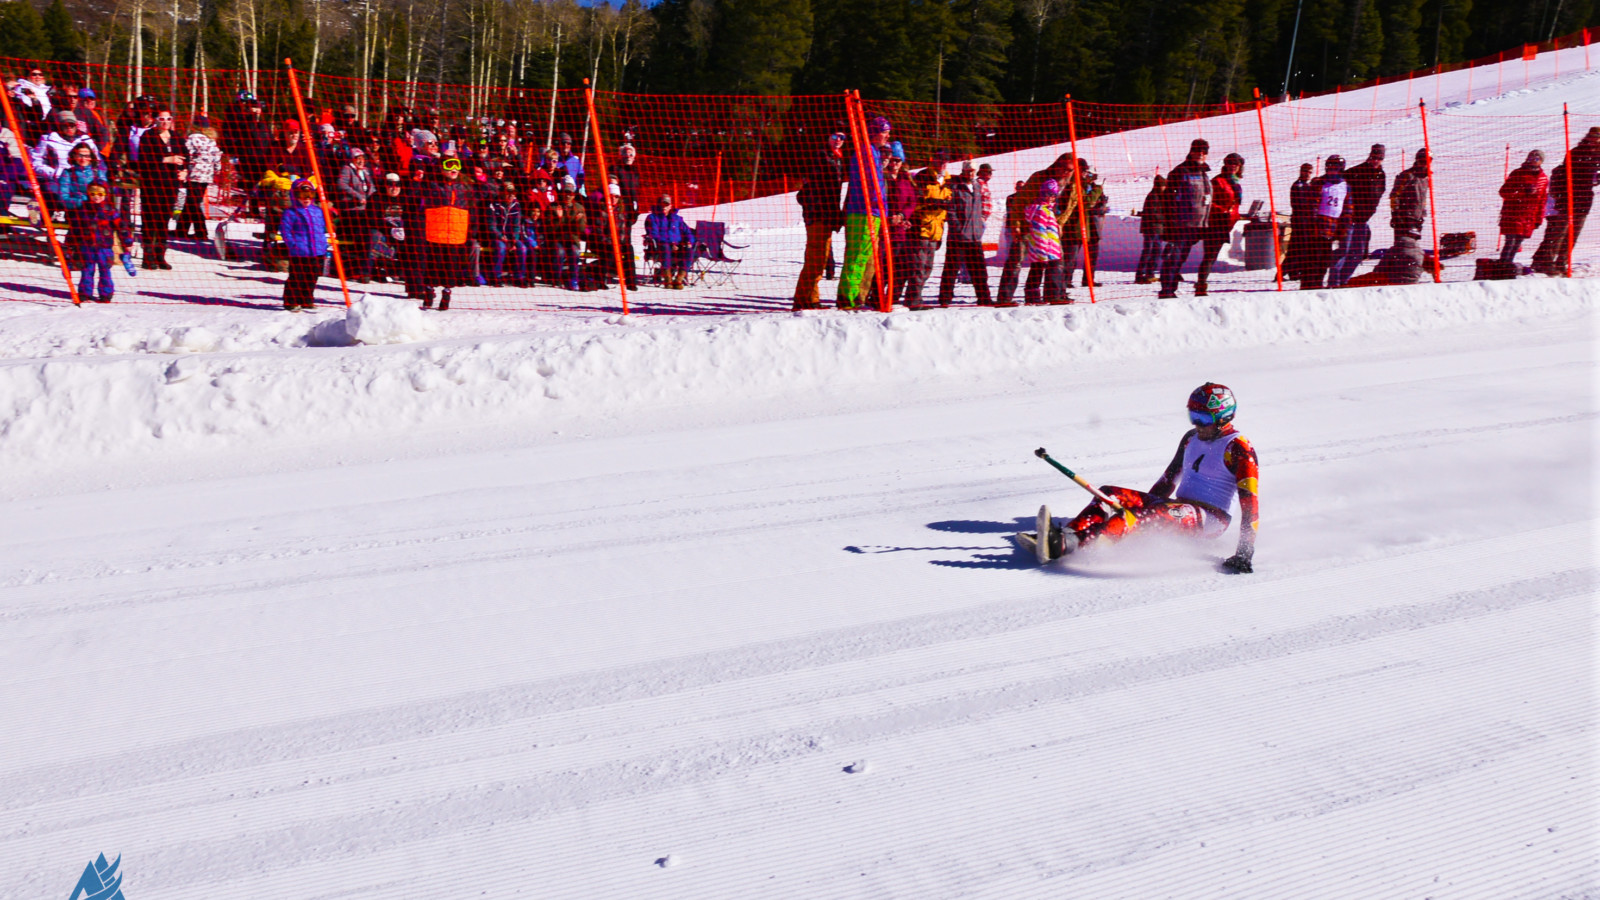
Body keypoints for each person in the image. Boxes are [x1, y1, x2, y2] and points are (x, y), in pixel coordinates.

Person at [1033, 383, 1258, 575]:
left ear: (1223, 418)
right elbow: (1168, 480)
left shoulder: (1239, 448)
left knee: (1135, 517)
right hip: (1181, 506)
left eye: (1203, 418)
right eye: (1193, 416)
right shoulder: (1191, 438)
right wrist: (1148, 504)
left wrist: (1244, 553)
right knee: (1108, 493)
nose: (1196, 425)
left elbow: (1250, 503)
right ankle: (1068, 535)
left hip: (1210, 518)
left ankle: (1072, 546)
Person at [837, 115, 892, 311]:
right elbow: (871, 182)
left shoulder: (873, 152)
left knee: (864, 255)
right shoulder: (867, 153)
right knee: (858, 254)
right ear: (876, 133)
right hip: (864, 210)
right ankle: (847, 296)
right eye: (885, 132)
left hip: (871, 210)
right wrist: (880, 204)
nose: (887, 136)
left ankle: (853, 295)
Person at [1531, 127, 1600, 276]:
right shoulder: (1576, 153)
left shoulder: (1598, 156)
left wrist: (1596, 178)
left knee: (1572, 235)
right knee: (1559, 232)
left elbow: (1594, 179)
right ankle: (1546, 262)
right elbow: (1568, 174)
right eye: (1594, 136)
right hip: (1568, 196)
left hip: (1584, 199)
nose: (1596, 140)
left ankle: (1562, 262)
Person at [793, 130, 846, 310]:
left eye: (842, 137)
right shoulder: (822, 157)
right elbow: (817, 188)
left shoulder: (837, 158)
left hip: (825, 214)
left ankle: (808, 297)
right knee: (816, 257)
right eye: (835, 136)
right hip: (818, 214)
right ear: (827, 137)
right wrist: (821, 211)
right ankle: (805, 299)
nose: (838, 140)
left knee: (820, 257)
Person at [417, 155, 476, 309]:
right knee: (433, 265)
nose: (453, 169)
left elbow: (473, 207)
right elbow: (420, 194)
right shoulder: (434, 185)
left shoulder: (465, 187)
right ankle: (429, 291)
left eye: (456, 165)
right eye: (449, 165)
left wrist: (472, 230)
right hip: (436, 233)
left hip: (456, 233)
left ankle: (446, 293)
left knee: (450, 267)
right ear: (442, 169)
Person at [1158, 139, 1213, 299]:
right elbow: (1169, 200)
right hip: (1180, 225)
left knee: (1181, 259)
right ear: (1191, 151)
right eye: (1197, 150)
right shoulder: (1180, 172)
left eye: (1204, 151)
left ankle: (1170, 288)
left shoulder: (1203, 173)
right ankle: (1167, 290)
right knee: (1174, 258)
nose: (1200, 154)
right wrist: (1171, 225)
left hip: (1197, 225)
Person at [1328, 144, 1387, 287]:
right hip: (1349, 219)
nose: (1376, 160)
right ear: (1369, 156)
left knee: (1358, 254)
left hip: (1362, 220)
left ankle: (1343, 281)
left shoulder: (1381, 175)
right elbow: (1339, 184)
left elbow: (1380, 192)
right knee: (1344, 251)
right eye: (1374, 157)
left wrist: (1371, 209)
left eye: (1379, 158)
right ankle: (1334, 282)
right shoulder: (1357, 171)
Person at [136, 110, 187, 270]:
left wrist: (185, 171)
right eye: (162, 119)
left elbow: (186, 157)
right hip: (152, 184)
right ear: (156, 120)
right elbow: (144, 159)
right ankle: (148, 256)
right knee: (150, 219)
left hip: (170, 184)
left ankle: (160, 255)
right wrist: (166, 159)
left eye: (168, 118)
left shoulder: (176, 137)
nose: (165, 122)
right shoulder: (148, 136)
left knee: (164, 220)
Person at [66, 179, 131, 303]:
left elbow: (121, 227)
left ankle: (106, 293)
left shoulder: (110, 211)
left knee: (105, 270)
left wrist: (127, 241)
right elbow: (75, 227)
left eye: (100, 194)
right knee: (87, 270)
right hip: (87, 246)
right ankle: (85, 293)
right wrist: (70, 243)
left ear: (105, 194)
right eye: (93, 194)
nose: (96, 197)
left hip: (104, 247)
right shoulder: (83, 210)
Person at [938, 160, 991, 306]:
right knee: (951, 269)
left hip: (974, 236)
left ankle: (984, 298)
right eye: (968, 171)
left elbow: (981, 207)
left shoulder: (977, 186)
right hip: (958, 237)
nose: (970, 173)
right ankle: (945, 299)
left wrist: (979, 225)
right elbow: (950, 210)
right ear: (963, 171)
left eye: (973, 171)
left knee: (979, 269)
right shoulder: (955, 187)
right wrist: (958, 228)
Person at [1189, 153, 1243, 297]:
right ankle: (1201, 286)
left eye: (1236, 164)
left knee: (1212, 257)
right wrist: (1222, 210)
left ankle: (1200, 283)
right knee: (1209, 256)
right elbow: (1207, 201)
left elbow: (1235, 203)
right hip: (1215, 223)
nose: (1233, 166)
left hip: (1226, 224)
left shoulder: (1235, 182)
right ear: (1225, 165)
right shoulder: (1218, 181)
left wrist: (1235, 216)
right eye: (1230, 163)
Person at [1374, 149, 1430, 285]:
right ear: (1417, 160)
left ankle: (1408, 273)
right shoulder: (1407, 175)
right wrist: (1396, 214)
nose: (1424, 164)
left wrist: (1422, 214)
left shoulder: (1426, 178)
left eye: (1427, 161)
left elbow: (1422, 198)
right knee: (1402, 247)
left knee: (1413, 247)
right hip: (1404, 217)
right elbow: (1395, 195)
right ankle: (1396, 274)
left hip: (1416, 218)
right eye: (1422, 160)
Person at [901, 163, 951, 309]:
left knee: (927, 267)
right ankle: (913, 299)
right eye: (940, 160)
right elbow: (913, 201)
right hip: (920, 229)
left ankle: (915, 297)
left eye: (945, 160)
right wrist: (930, 203)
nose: (942, 163)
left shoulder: (947, 181)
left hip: (935, 231)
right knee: (918, 266)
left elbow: (947, 207)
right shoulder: (923, 176)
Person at [1298, 156, 1348, 289]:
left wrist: (1343, 229)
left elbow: (1347, 210)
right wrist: (1313, 222)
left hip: (1332, 228)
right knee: (1313, 258)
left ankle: (1318, 284)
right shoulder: (1320, 183)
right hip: (1317, 227)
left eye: (1335, 168)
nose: (1331, 171)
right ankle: (1308, 285)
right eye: (1329, 168)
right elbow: (1312, 205)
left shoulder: (1344, 186)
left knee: (1324, 260)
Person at [279, 179, 328, 310]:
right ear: (295, 196)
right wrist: (293, 245)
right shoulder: (290, 213)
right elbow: (285, 231)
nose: (306, 198)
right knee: (297, 277)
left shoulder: (317, 211)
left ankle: (307, 299)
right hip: (299, 251)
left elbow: (322, 228)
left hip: (317, 251)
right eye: (302, 195)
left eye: (309, 195)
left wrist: (323, 243)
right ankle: (291, 301)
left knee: (312, 276)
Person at [1059, 160, 1108, 289]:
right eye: (1087, 173)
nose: (1089, 177)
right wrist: (1095, 194)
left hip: (1092, 225)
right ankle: (1065, 281)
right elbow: (1086, 203)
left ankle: (1088, 279)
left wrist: (1101, 204)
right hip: (1076, 225)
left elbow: (1099, 204)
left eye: (1091, 175)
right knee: (1071, 255)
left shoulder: (1093, 187)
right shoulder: (1076, 186)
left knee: (1091, 255)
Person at [30, 112, 99, 202]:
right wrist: (53, 172)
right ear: (59, 126)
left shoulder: (86, 140)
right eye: (66, 125)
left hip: (83, 181)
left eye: (72, 125)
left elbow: (98, 162)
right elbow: (35, 163)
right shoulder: (48, 140)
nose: (69, 128)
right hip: (56, 181)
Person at [1496, 150, 1549, 265]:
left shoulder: (1543, 178)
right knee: (1510, 241)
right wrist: (1522, 192)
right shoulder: (1518, 173)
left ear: (1541, 161)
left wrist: (1539, 218)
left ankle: (1507, 265)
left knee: (1517, 242)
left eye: (1536, 159)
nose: (1533, 160)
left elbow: (1542, 200)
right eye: (1531, 158)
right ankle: (1502, 266)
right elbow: (1504, 192)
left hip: (1529, 216)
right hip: (1513, 213)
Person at [1022, 179, 1068, 305]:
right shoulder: (1041, 210)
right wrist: (1043, 248)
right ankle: (1034, 296)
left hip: (1049, 247)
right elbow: (1040, 230)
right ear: (1042, 194)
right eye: (1048, 194)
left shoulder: (1047, 209)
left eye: (1054, 195)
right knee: (1038, 270)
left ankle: (1046, 295)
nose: (1051, 197)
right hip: (1044, 248)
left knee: (1039, 270)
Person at [178, 115, 222, 240]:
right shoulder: (211, 141)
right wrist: (217, 170)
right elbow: (217, 158)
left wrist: (182, 167)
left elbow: (186, 153)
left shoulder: (193, 138)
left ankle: (201, 231)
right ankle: (181, 230)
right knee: (191, 202)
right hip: (207, 176)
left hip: (195, 174)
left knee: (193, 203)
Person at [335, 147, 376, 280]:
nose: (360, 161)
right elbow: (341, 184)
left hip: (364, 211)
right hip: (351, 212)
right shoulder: (347, 169)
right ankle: (361, 270)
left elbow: (372, 188)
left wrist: (372, 199)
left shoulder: (365, 172)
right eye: (357, 158)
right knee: (365, 231)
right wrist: (358, 197)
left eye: (362, 158)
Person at [546, 178, 587, 291]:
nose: (568, 196)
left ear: (574, 195)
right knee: (560, 252)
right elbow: (549, 229)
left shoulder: (579, 208)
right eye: (566, 193)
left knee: (575, 252)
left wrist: (578, 221)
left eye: (570, 194)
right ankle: (556, 278)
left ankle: (573, 279)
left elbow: (581, 230)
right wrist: (558, 219)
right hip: (556, 239)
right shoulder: (553, 207)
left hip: (572, 239)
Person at [994, 179, 1029, 307]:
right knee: (1013, 256)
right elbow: (1013, 210)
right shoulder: (1011, 198)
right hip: (1012, 228)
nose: (1020, 189)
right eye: (1019, 187)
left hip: (1023, 230)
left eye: (1022, 187)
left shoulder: (1026, 198)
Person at [645, 193, 690, 289]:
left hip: (677, 247)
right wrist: (671, 243)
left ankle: (679, 279)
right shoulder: (652, 218)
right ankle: (667, 280)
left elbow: (687, 232)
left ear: (670, 206)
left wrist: (689, 241)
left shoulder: (677, 219)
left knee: (689, 250)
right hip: (659, 248)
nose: (664, 207)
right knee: (665, 248)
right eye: (662, 204)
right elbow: (654, 235)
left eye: (666, 205)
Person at [485, 179, 525, 287]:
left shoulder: (516, 205)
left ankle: (519, 277)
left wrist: (514, 240)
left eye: (513, 193)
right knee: (501, 247)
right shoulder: (493, 205)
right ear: (502, 193)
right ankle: (495, 277)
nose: (511, 195)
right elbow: (491, 226)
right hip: (495, 238)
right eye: (509, 193)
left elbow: (517, 226)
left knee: (522, 248)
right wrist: (500, 236)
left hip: (510, 238)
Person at [614, 143, 642, 290]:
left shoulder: (635, 172)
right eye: (625, 154)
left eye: (630, 154)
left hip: (629, 213)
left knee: (626, 244)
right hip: (618, 211)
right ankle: (626, 276)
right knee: (620, 244)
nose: (628, 157)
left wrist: (635, 209)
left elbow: (635, 193)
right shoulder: (615, 169)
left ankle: (630, 279)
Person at [1134, 174, 1166, 284]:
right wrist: (1165, 218)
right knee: (1148, 251)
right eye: (1163, 186)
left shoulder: (1160, 196)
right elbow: (1152, 214)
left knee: (1157, 251)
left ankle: (1150, 273)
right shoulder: (1153, 197)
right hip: (1151, 229)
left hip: (1158, 229)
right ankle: (1140, 274)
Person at [55, 143, 106, 210]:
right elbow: (63, 198)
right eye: (80, 155)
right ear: (74, 156)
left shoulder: (97, 173)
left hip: (97, 209)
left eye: (87, 156)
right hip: (76, 210)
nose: (83, 159)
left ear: (91, 157)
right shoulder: (68, 173)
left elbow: (105, 193)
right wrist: (82, 202)